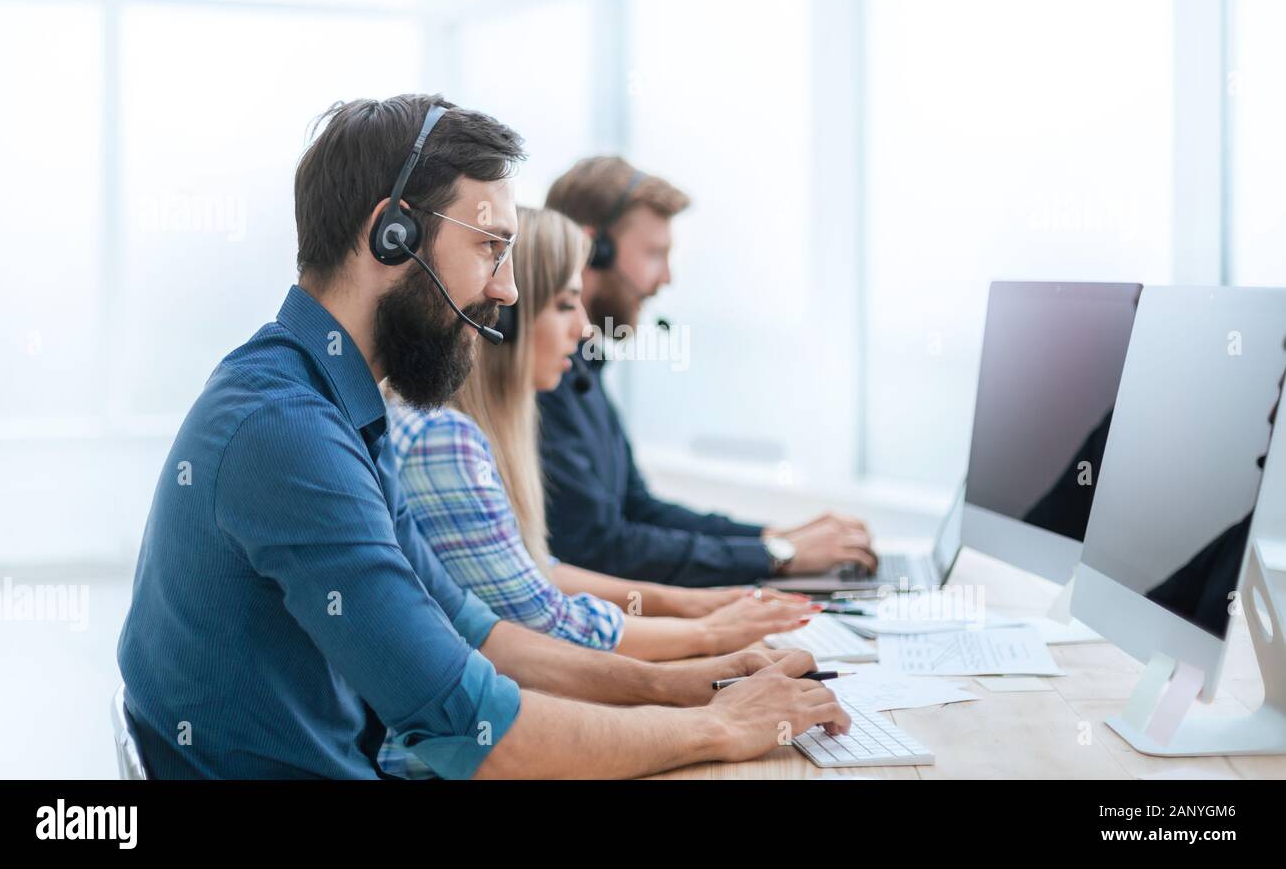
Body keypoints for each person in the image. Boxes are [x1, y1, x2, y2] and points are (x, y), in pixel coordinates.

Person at [116, 94, 847, 780]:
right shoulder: (287, 432)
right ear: (391, 236)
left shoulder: (335, 405)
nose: (507, 290)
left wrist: (687, 685)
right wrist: (716, 727)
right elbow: (472, 729)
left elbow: (473, 631)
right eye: (491, 246)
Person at [387, 206, 820, 667]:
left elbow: (539, 572)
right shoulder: (444, 440)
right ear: (502, 319)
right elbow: (546, 618)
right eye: (565, 304)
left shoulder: (489, 429)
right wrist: (707, 633)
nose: (586, 329)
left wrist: (695, 606)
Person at [538, 156, 877, 587]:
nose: (666, 278)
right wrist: (778, 555)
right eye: (655, 254)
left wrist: (775, 538)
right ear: (590, 250)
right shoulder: (542, 380)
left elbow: (639, 508)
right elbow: (600, 549)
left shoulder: (583, 368)